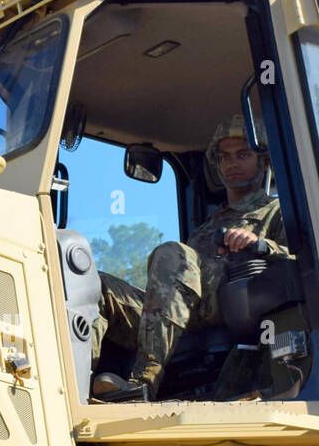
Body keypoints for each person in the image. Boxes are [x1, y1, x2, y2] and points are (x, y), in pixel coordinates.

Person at [92, 115, 288, 401]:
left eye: (243, 154)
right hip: (179, 313)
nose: (232, 163)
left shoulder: (276, 210)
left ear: (264, 160)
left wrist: (261, 245)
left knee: (173, 252)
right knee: (95, 286)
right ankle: (76, 390)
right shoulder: (207, 226)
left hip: (235, 307)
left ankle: (144, 382)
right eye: (225, 157)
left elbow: (302, 260)